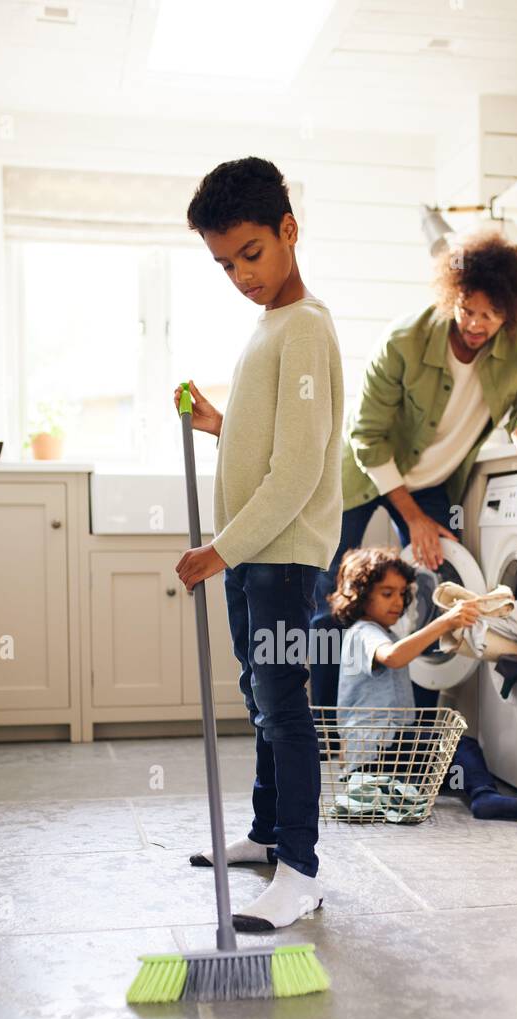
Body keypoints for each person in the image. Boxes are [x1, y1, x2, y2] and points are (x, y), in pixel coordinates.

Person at [173, 156, 344, 931]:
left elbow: (300, 468)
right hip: (255, 554)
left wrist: (219, 551)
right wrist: (216, 421)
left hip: (278, 557)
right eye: (222, 263)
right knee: (261, 697)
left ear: (288, 231)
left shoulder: (303, 327)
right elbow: (264, 442)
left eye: (250, 254)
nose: (239, 275)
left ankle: (300, 872)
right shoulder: (271, 327)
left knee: (282, 705)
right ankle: (267, 834)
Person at [310, 230, 517, 708]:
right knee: (332, 592)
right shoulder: (404, 340)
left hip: (433, 481)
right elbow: (367, 437)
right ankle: (323, 724)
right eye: (467, 309)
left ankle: (419, 731)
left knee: (435, 589)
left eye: (491, 314)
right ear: (452, 297)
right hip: (362, 472)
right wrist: (414, 518)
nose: (476, 324)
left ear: (512, 312)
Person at [333, 548, 517, 821]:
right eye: (387, 593)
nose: (397, 601)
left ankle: (409, 785)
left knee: (448, 761)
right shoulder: (364, 632)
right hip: (380, 747)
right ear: (360, 595)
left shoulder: (379, 631)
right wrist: (445, 621)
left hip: (381, 752)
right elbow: (393, 656)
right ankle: (485, 797)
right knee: (459, 744)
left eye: (401, 593)